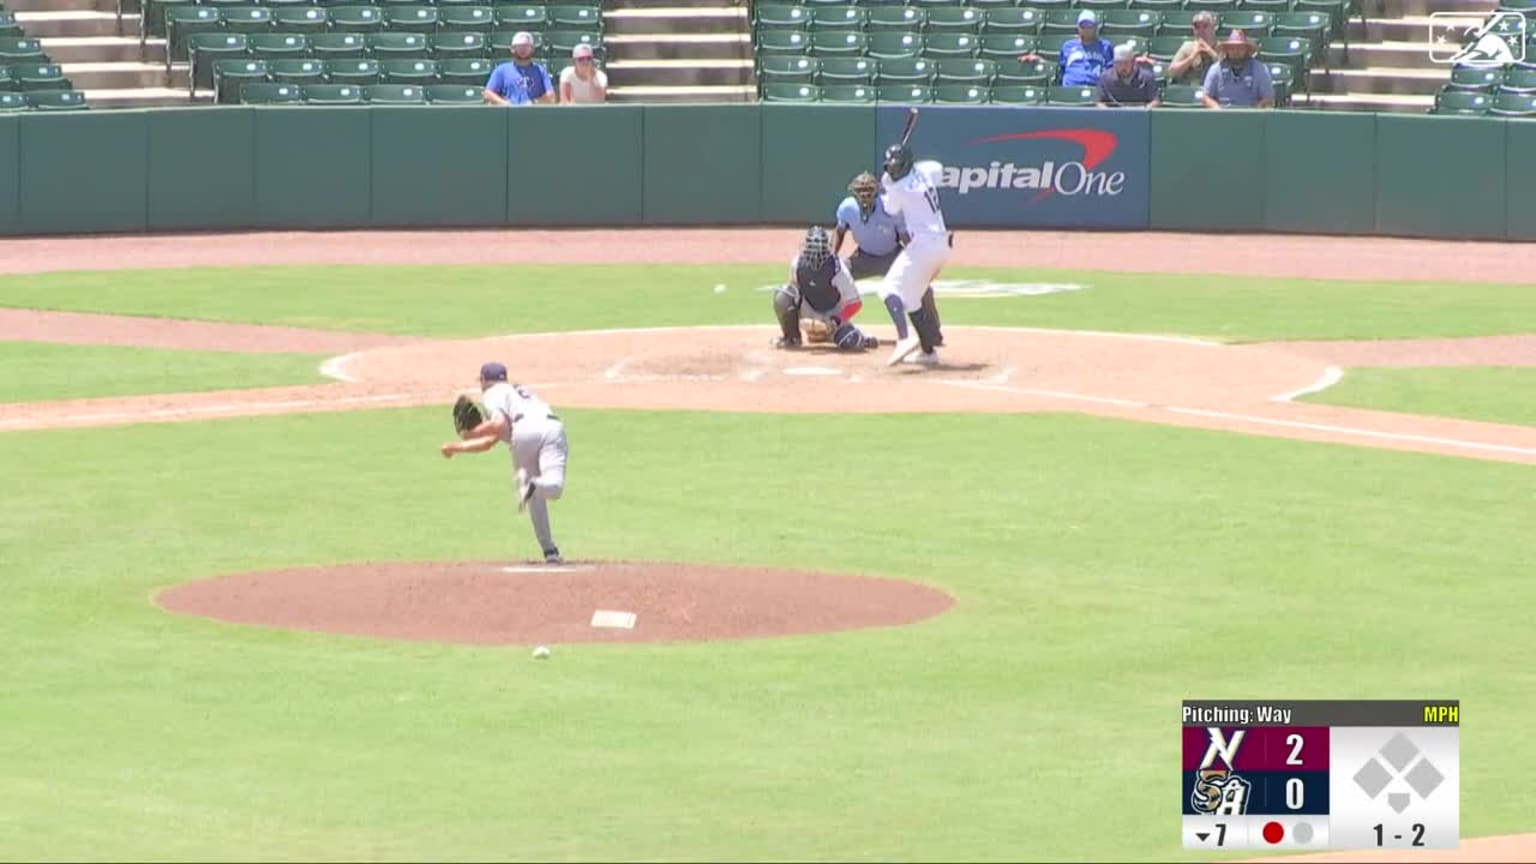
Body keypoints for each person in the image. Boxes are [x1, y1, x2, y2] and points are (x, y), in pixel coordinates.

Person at [440, 362, 569, 565]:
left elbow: (497, 426)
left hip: (524, 432)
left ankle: (548, 548)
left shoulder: (493, 394)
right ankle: (549, 548)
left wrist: (470, 433)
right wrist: (458, 448)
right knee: (553, 488)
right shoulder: (521, 392)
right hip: (553, 428)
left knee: (534, 498)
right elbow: (491, 440)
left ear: (484, 380)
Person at [835, 171, 944, 348]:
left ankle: (933, 333)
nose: (864, 196)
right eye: (860, 192)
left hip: (892, 256)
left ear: (877, 191)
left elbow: (905, 237)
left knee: (923, 288)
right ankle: (833, 325)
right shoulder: (847, 208)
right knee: (833, 277)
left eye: (868, 191)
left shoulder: (890, 209)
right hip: (863, 257)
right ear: (853, 192)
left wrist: (918, 263)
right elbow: (839, 232)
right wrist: (833, 258)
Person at [877, 143, 949, 368]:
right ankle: (928, 351)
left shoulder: (900, 189)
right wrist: (894, 176)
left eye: (896, 166)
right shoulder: (925, 171)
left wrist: (887, 184)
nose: (892, 170)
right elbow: (937, 167)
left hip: (924, 246)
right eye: (890, 166)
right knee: (912, 298)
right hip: (941, 245)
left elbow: (889, 210)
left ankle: (904, 338)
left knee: (888, 289)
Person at [772, 226, 880, 351]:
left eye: (819, 250)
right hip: (809, 309)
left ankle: (861, 338)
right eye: (812, 249)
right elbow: (793, 293)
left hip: (833, 314)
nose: (815, 255)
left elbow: (855, 303)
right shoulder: (797, 264)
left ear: (826, 249)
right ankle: (792, 338)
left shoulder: (837, 269)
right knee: (783, 295)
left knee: (849, 341)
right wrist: (799, 320)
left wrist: (835, 321)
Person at [1020, 10, 1114, 87]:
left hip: (1095, 88)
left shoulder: (1105, 46)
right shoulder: (1068, 46)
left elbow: (1111, 71)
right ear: (1078, 27)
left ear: (1096, 27)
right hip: (1071, 88)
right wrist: (1040, 60)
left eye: (1089, 25)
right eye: (1083, 25)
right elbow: (1059, 68)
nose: (1086, 29)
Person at [1201, 29, 1275, 109]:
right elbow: (1206, 97)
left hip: (1251, 116)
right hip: (1222, 116)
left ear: (1247, 50)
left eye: (1240, 48)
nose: (1236, 51)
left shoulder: (1260, 69)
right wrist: (1218, 110)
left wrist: (1254, 111)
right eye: (1232, 48)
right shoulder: (1215, 69)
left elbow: (1268, 98)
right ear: (1227, 50)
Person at [483, 31, 555, 106]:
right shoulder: (501, 70)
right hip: (508, 114)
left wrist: (534, 103)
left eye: (527, 46)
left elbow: (550, 96)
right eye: (519, 46)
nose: (523, 49)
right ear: (512, 49)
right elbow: (488, 93)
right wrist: (504, 103)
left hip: (533, 113)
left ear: (532, 49)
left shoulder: (540, 70)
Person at [1098, 42, 1160, 107]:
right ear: (1114, 64)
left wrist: (1145, 110)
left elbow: (1155, 101)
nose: (1123, 67)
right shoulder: (1105, 78)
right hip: (1114, 115)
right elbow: (1100, 102)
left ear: (1133, 62)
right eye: (1119, 63)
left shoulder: (1147, 77)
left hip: (1140, 114)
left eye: (1126, 62)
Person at [1167, 11, 1220, 86]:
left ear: (1213, 28)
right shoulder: (1188, 46)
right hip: (1191, 90)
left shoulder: (1221, 47)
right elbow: (1172, 72)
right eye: (1197, 27)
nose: (1201, 31)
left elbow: (1227, 70)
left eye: (1205, 26)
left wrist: (1210, 52)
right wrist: (1191, 57)